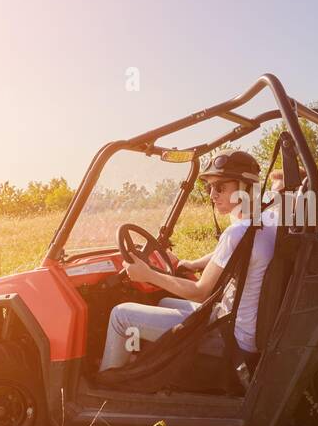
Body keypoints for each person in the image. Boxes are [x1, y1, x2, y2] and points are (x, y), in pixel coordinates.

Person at [99, 150, 277, 373]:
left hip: (231, 340)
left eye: (220, 187)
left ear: (246, 188)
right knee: (164, 302)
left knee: (120, 315)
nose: (212, 195)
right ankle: (143, 365)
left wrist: (147, 275)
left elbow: (200, 292)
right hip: (242, 328)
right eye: (209, 187)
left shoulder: (236, 234)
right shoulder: (264, 224)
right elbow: (229, 255)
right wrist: (193, 264)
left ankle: (109, 382)